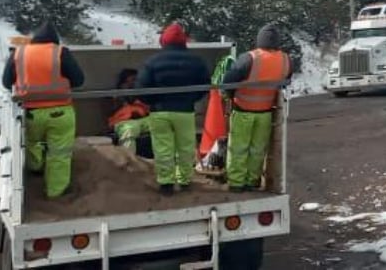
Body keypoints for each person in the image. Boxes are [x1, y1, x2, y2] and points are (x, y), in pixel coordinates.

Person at [0, 23, 85, 199]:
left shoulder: (19, 53)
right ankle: (56, 192)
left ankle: (36, 167)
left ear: (34, 39)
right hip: (60, 112)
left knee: (33, 143)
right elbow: (78, 80)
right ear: (54, 40)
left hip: (31, 112)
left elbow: (6, 82)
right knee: (59, 153)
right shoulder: (61, 52)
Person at [137, 22, 210, 195]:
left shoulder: (152, 61)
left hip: (160, 112)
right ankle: (185, 180)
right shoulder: (197, 61)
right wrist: (191, 99)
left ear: (164, 41)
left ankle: (166, 183)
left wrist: (153, 102)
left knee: (163, 149)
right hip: (185, 111)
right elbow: (205, 85)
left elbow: (141, 87)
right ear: (184, 41)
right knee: (185, 147)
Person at [222, 23, 292, 192]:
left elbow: (228, 82)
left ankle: (236, 182)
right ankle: (252, 180)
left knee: (239, 148)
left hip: (243, 111)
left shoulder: (249, 58)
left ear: (259, 40)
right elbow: (286, 81)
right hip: (266, 113)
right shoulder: (285, 60)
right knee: (258, 149)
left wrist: (230, 96)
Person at [107, 68, 150, 150]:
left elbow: (148, 109)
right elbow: (117, 109)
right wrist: (125, 91)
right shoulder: (116, 95)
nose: (135, 82)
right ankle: (129, 160)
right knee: (129, 130)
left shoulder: (142, 93)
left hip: (144, 120)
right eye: (132, 80)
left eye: (136, 80)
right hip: (125, 122)